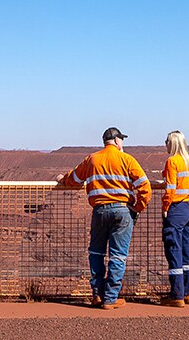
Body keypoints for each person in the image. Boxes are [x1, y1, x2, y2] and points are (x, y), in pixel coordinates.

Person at [56, 127, 151, 310]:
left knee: (96, 253)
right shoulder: (127, 159)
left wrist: (62, 179)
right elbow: (145, 186)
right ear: (116, 141)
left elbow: (74, 178)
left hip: (99, 211)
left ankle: (97, 294)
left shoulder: (92, 159)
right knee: (118, 255)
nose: (122, 142)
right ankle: (110, 298)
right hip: (122, 212)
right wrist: (137, 208)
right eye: (121, 139)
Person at [159, 130, 189, 307]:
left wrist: (165, 208)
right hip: (188, 209)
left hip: (176, 209)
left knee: (174, 250)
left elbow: (170, 189)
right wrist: (187, 199)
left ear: (172, 144)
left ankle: (177, 296)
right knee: (186, 251)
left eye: (167, 141)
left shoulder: (172, 161)